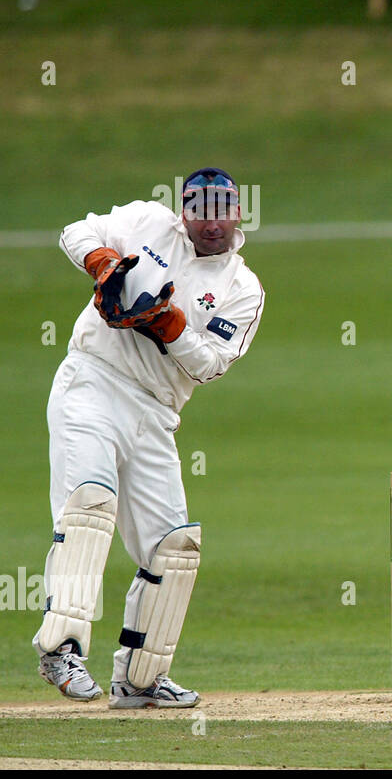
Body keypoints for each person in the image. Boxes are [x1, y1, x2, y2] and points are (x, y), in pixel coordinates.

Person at [35, 168, 265, 708]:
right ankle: (60, 651)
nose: (211, 223)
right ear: (184, 210)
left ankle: (140, 679)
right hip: (91, 380)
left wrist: (170, 326)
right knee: (90, 506)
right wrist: (100, 261)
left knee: (174, 548)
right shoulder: (146, 221)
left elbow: (210, 365)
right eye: (200, 211)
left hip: (157, 412)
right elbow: (76, 231)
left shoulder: (243, 289)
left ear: (238, 213)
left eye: (222, 211)